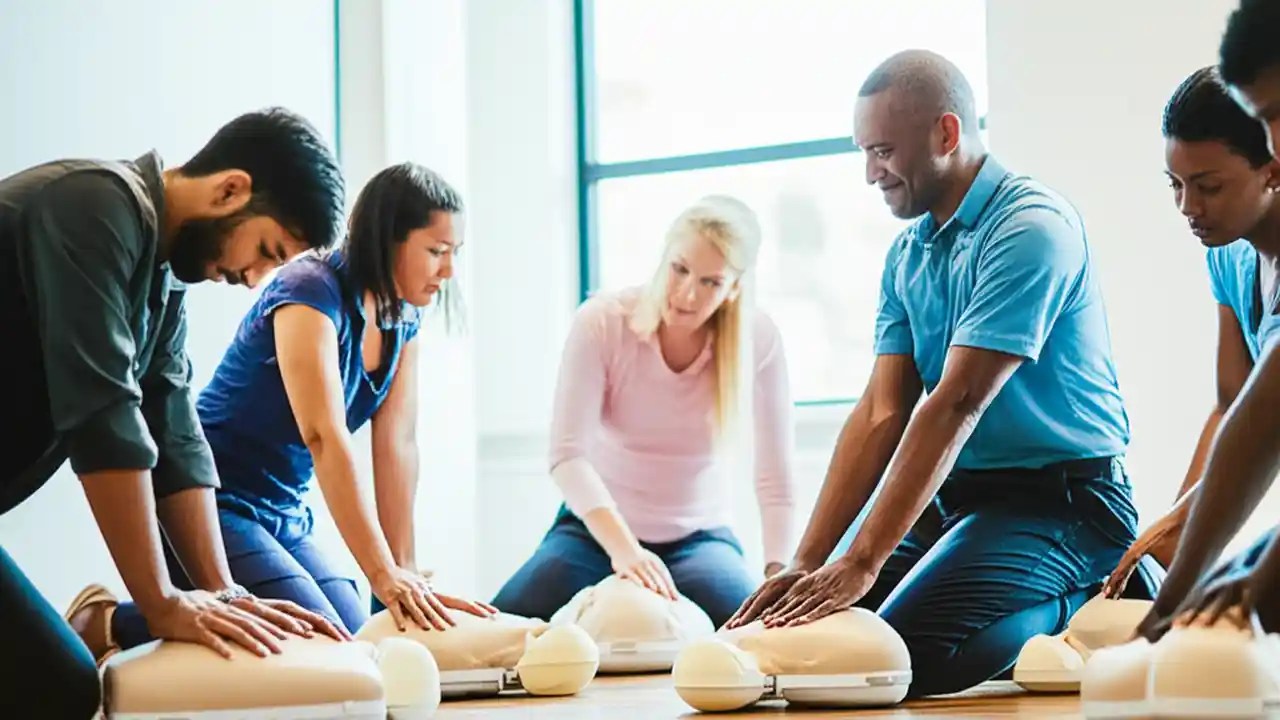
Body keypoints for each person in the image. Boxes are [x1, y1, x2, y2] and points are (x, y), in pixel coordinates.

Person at [725, 49, 1150, 699]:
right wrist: (810, 562)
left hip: (1065, 501)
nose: (870, 173)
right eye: (863, 152)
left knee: (906, 656)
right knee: (832, 630)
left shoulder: (1031, 227)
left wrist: (863, 561)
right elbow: (880, 413)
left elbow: (954, 403)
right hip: (960, 499)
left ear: (946, 134)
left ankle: (1081, 594)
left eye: (883, 151)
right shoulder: (907, 255)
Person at [67, 163, 499, 663]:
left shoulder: (404, 320)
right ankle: (107, 622)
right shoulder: (310, 291)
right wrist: (380, 571)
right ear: (387, 241)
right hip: (212, 501)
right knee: (321, 642)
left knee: (359, 636)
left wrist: (402, 571)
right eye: (436, 252)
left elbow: (397, 445)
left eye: (454, 254)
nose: (447, 271)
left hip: (285, 512)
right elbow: (324, 435)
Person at [0, 107, 349, 719]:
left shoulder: (161, 280)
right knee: (51, 687)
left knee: (60, 686)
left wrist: (224, 591)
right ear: (230, 189)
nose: (252, 280)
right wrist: (159, 601)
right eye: (266, 251)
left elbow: (176, 435)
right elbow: (104, 415)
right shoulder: (92, 207)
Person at [491, 195, 796, 629]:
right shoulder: (602, 322)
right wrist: (625, 550)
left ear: (734, 290)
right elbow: (567, 455)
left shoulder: (759, 338)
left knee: (758, 632)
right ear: (663, 259)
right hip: (592, 534)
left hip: (699, 539)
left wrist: (776, 573)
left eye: (711, 282)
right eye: (680, 269)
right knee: (500, 625)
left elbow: (775, 478)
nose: (688, 293)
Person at [1101, 66, 1280, 600]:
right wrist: (1171, 532)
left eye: (1208, 187)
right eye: (1176, 185)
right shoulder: (1229, 257)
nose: (1188, 207)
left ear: (1272, 167)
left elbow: (1264, 432)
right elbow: (1233, 407)